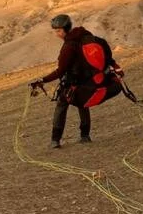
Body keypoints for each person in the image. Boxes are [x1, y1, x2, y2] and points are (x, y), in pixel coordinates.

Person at [30, 14, 115, 149]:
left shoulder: (69, 46)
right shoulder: (84, 36)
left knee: (61, 106)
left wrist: (43, 80)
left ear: (65, 29)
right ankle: (85, 135)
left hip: (73, 82)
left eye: (58, 31)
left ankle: (55, 140)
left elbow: (61, 70)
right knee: (83, 104)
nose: (57, 34)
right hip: (88, 81)